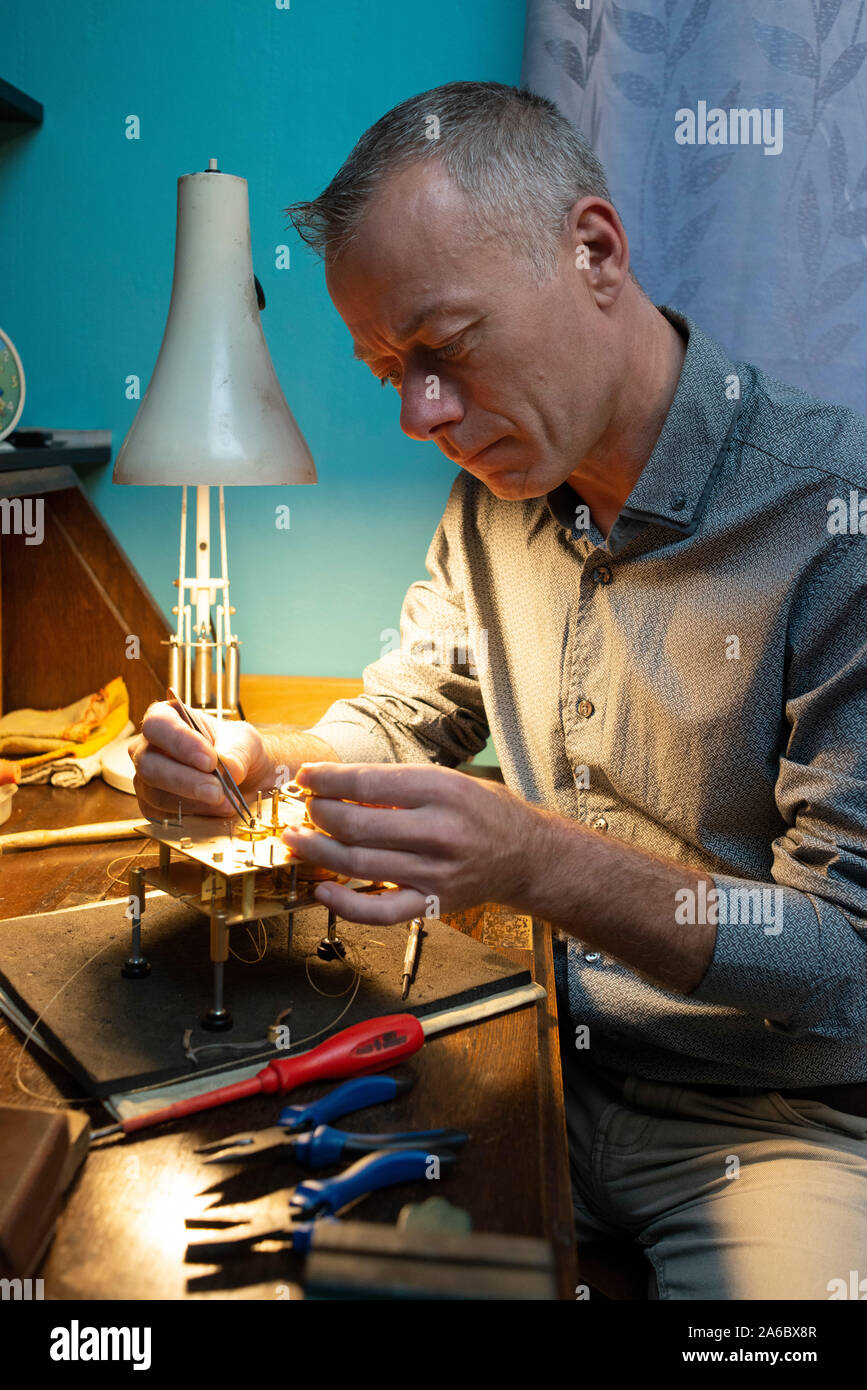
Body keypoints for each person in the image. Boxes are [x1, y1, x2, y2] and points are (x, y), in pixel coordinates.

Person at [130, 82, 867, 1299]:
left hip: (776, 1121)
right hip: (533, 1057)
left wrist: (539, 863)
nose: (423, 415)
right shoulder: (498, 491)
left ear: (594, 250)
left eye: (446, 349)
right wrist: (262, 756)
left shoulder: (834, 517)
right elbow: (408, 712)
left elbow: (844, 959)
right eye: (389, 376)